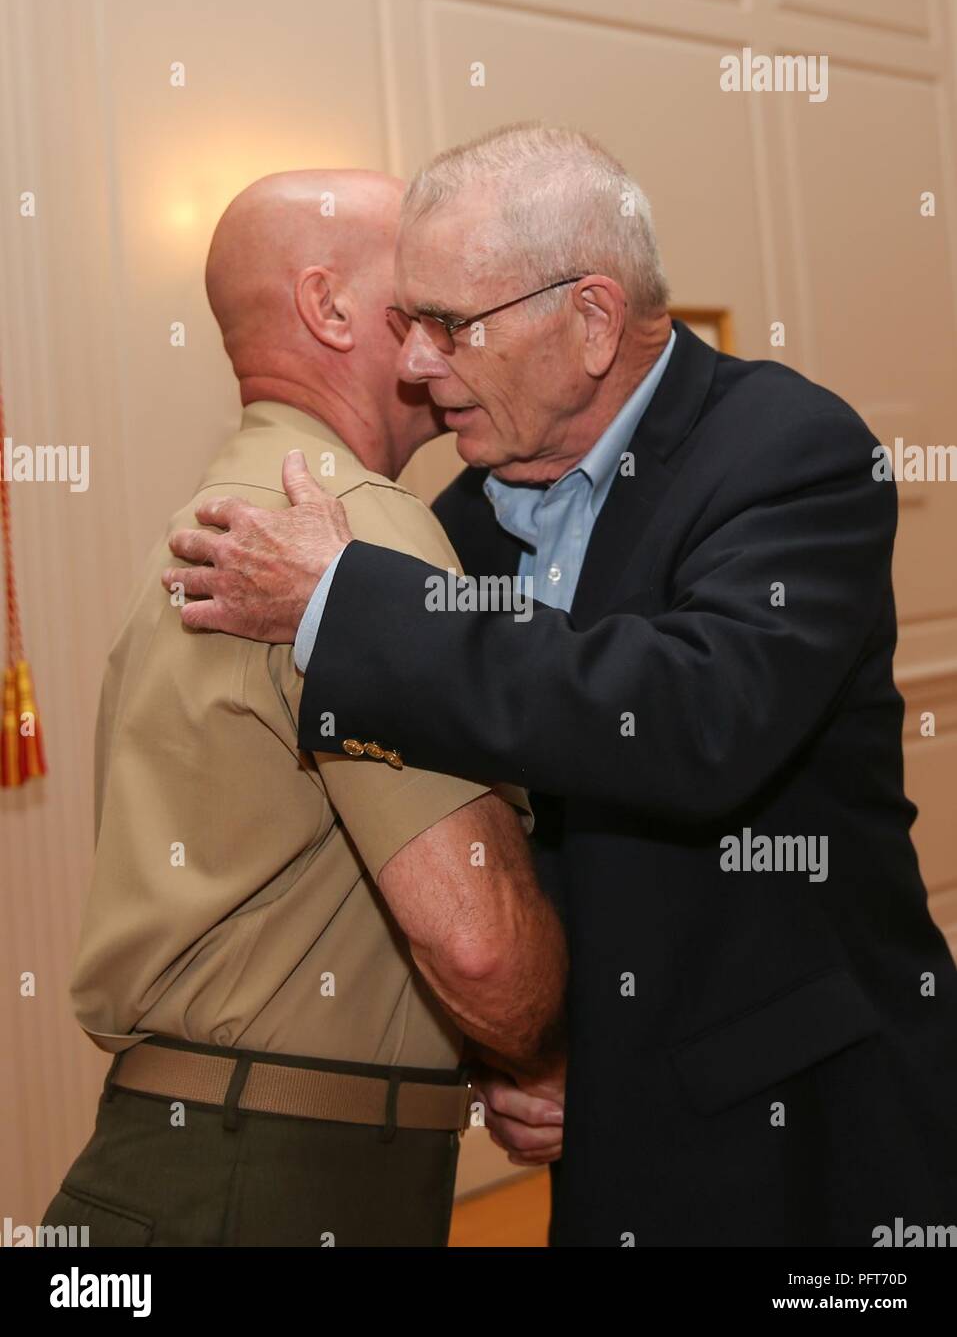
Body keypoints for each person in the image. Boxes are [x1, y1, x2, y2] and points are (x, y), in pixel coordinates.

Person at [163, 126, 957, 1247]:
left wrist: (344, 600)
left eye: (449, 325)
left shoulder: (789, 450)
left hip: (814, 1136)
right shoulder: (458, 522)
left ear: (588, 320)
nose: (416, 367)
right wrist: (527, 1055)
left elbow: (695, 716)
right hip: (613, 1148)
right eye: (409, 324)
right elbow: (501, 829)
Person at [44, 168, 566, 1249]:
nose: (443, 337)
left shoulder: (209, 517)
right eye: (418, 298)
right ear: (328, 307)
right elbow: (484, 954)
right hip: (281, 1184)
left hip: (161, 1163)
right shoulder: (351, 535)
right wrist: (556, 1052)